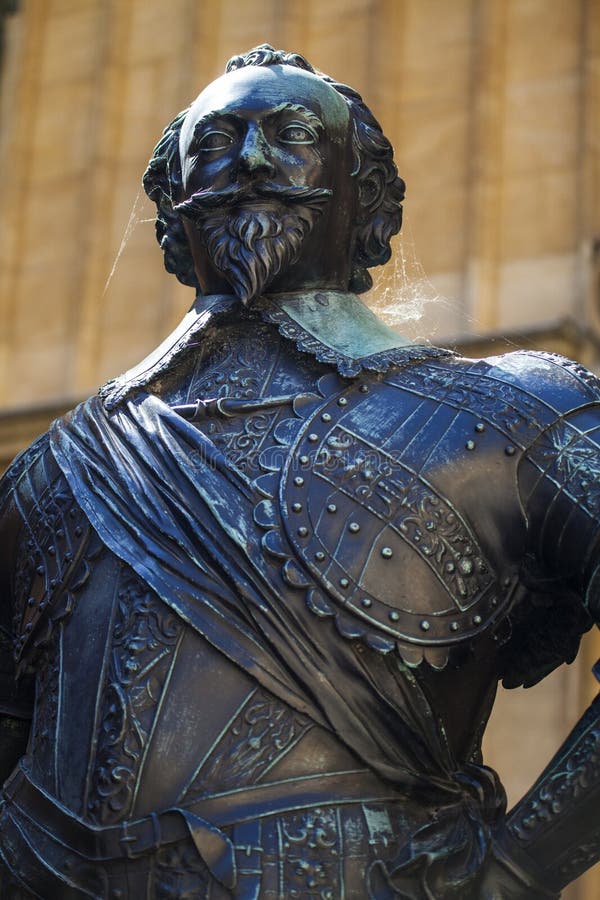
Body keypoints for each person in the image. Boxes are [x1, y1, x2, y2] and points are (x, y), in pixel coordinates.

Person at [0, 43, 598, 899]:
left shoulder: (511, 414)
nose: (248, 162)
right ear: (174, 204)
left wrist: (516, 869)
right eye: (213, 143)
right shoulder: (54, 473)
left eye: (291, 135)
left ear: (366, 196)